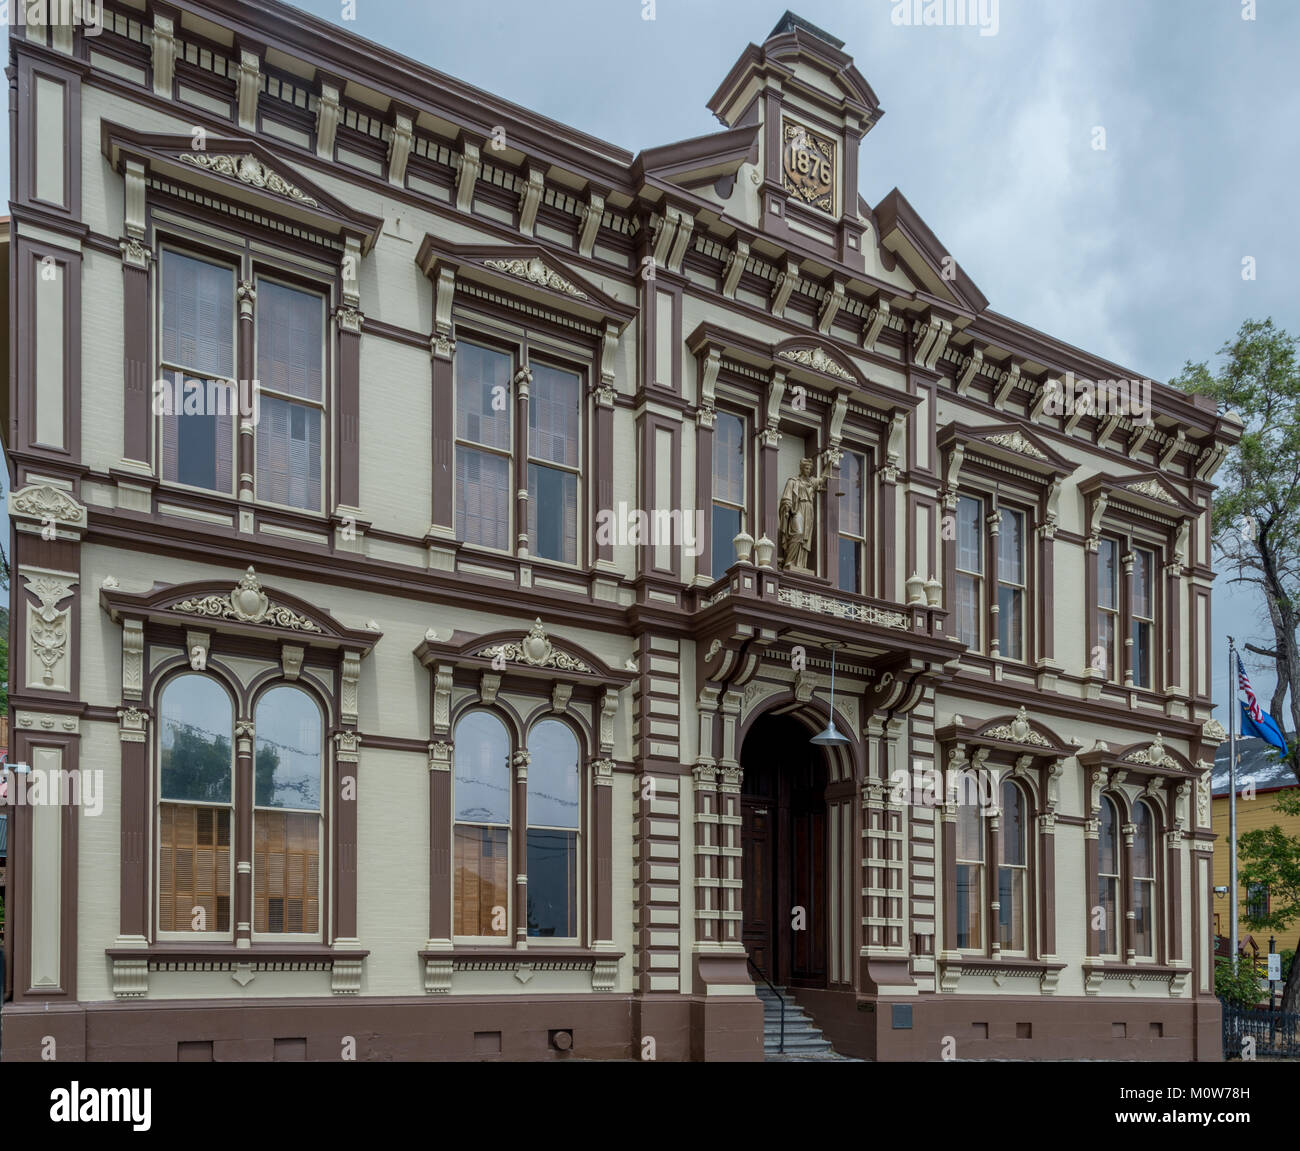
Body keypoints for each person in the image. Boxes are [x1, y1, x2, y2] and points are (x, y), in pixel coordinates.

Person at [778, 457, 828, 571]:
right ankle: (789, 562)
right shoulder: (793, 481)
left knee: (805, 538)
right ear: (801, 469)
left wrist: (830, 463)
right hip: (798, 508)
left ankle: (800, 565)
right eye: (806, 468)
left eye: (810, 469)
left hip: (809, 509)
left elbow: (822, 479)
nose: (808, 470)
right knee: (798, 533)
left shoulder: (811, 481)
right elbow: (786, 497)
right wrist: (787, 506)